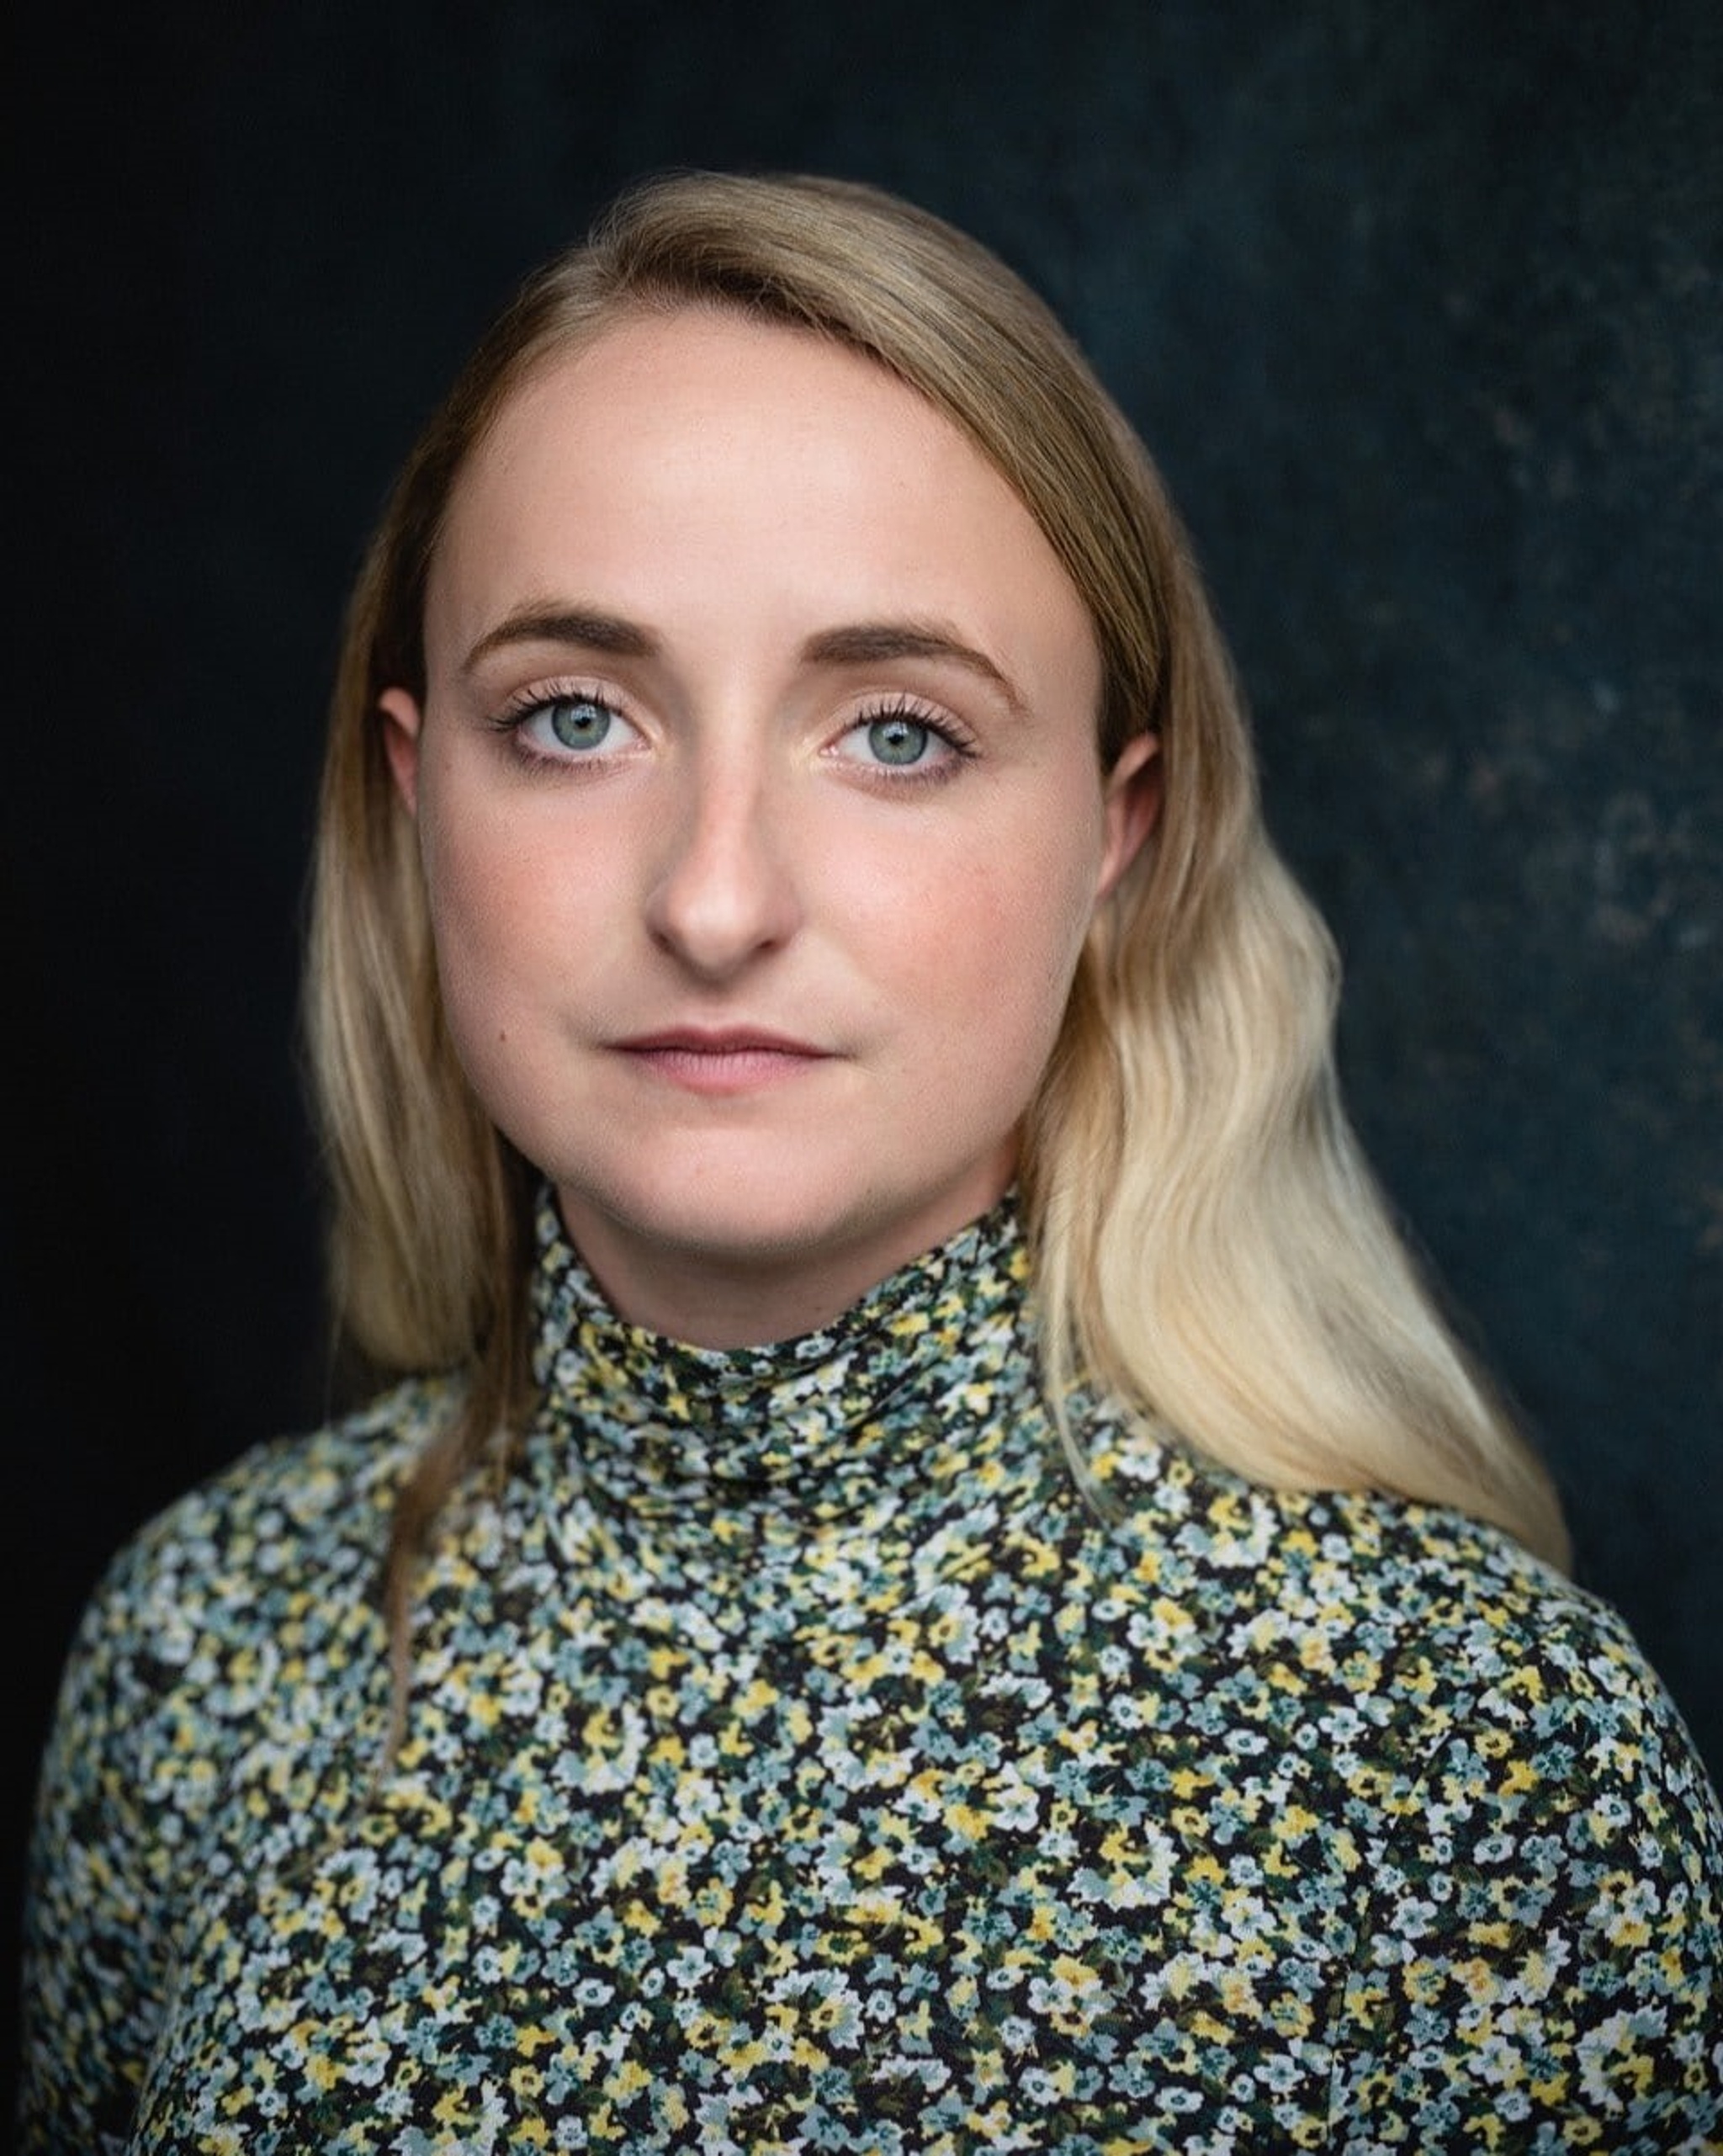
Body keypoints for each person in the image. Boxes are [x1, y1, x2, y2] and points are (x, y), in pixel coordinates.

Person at [20, 170, 1721, 2153]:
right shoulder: (202, 1653)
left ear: (1118, 830)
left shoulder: (1476, 1752)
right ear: (416, 802)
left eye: (896, 733)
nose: (718, 897)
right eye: (575, 717)